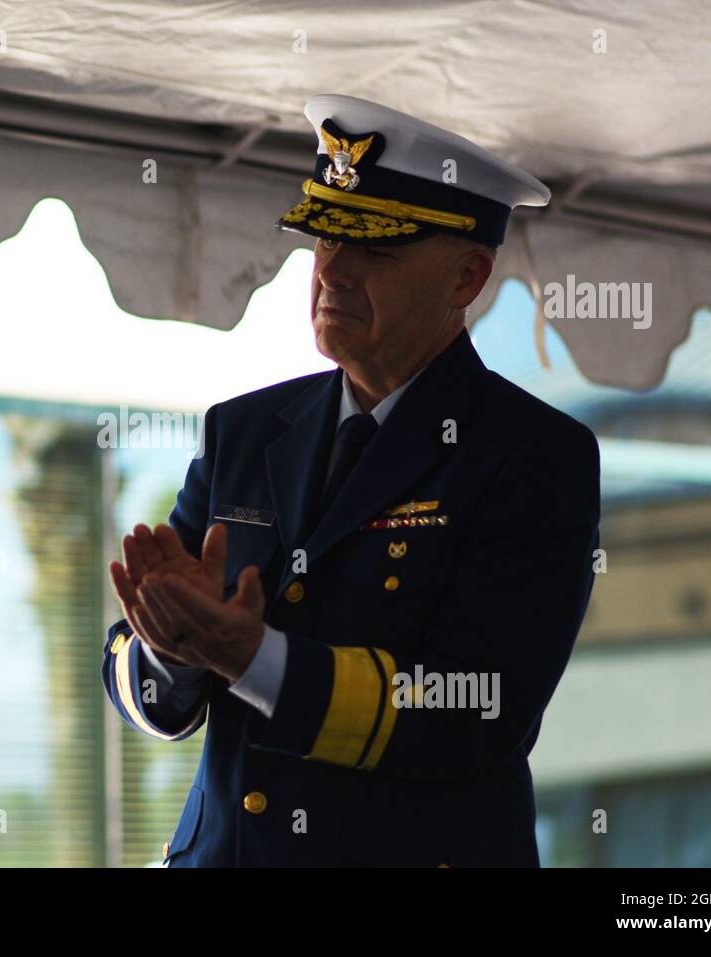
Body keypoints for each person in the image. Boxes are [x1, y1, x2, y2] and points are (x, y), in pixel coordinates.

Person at [102, 94, 600, 866]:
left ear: (467, 275)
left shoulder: (532, 455)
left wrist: (255, 659)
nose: (332, 269)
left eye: (376, 249)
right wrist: (173, 648)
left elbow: (475, 708)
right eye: (325, 239)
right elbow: (140, 674)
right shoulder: (243, 430)